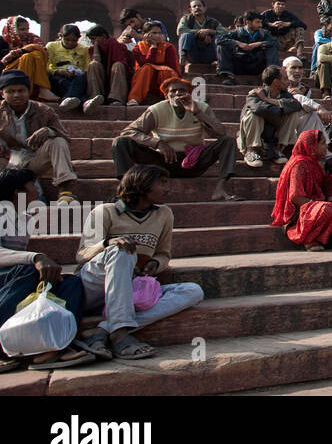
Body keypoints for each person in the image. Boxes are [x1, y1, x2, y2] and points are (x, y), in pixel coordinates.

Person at [75, 165, 206, 361]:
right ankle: (120, 334)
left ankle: (103, 329)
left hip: (132, 286)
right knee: (123, 251)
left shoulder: (164, 214)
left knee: (193, 291)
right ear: (142, 184)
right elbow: (82, 254)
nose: (167, 189)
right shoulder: (105, 212)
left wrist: (155, 263)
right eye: (162, 183)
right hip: (93, 284)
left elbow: (163, 253)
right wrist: (108, 243)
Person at [0, 169, 92, 372]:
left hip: (15, 278)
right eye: (33, 184)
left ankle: (58, 344)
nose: (38, 190)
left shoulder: (22, 217)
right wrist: (36, 258)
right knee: (27, 270)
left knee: (70, 283)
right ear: (18, 192)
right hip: (9, 278)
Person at [112, 76, 239, 201]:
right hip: (162, 162)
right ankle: (126, 190)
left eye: (182, 90)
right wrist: (158, 143)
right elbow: (128, 131)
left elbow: (220, 133)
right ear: (166, 96)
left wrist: (198, 113)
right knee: (121, 142)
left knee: (228, 141)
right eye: (173, 91)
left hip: (194, 161)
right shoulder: (156, 110)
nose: (178, 93)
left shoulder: (201, 107)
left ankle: (220, 189)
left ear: (189, 94)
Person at [272, 131, 332, 251]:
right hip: (301, 211)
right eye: (323, 143)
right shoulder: (299, 165)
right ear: (312, 145)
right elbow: (296, 197)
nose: (326, 146)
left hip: (321, 202)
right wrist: (319, 204)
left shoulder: (315, 163)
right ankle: (310, 240)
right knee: (326, 208)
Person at [0, 70, 77, 204]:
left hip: (33, 160)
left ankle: (65, 191)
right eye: (10, 91)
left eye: (21, 90)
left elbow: (66, 136)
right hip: (5, 160)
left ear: (29, 92)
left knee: (58, 142)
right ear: (2, 93)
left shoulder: (43, 110)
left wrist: (49, 131)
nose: (16, 95)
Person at [236, 65, 302, 168]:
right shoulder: (255, 94)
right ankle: (251, 150)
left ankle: (278, 149)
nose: (289, 81)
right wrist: (280, 110)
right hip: (256, 133)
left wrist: (267, 100)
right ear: (276, 81)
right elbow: (259, 109)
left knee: (293, 113)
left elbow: (297, 105)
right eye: (285, 79)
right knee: (254, 114)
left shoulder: (285, 94)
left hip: (272, 133)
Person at [2, 16, 59, 102]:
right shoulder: (2, 41)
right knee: (28, 56)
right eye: (22, 29)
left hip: (33, 74)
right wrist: (10, 56)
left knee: (36, 53)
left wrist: (22, 51)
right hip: (8, 73)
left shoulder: (31, 38)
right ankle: (25, 89)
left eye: (27, 29)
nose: (26, 32)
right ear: (12, 29)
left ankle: (42, 89)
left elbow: (43, 51)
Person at [126, 21, 181, 107]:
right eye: (154, 33)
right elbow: (145, 63)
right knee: (147, 68)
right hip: (145, 81)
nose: (158, 36)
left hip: (163, 80)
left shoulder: (168, 47)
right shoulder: (137, 48)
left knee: (165, 71)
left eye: (159, 33)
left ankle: (170, 97)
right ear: (145, 34)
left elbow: (172, 68)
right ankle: (134, 98)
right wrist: (153, 47)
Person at [216, 12, 280, 84]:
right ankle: (227, 76)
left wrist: (259, 44)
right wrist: (238, 43)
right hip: (239, 64)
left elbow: (276, 43)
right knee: (222, 45)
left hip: (257, 65)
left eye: (261, 22)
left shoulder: (264, 33)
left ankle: (271, 77)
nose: (260, 25)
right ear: (248, 22)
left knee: (272, 47)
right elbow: (218, 40)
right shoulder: (237, 32)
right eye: (257, 22)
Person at [45, 23, 93, 112]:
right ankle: (85, 102)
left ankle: (66, 99)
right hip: (58, 77)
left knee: (81, 78)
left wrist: (78, 72)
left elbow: (87, 68)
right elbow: (46, 66)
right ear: (60, 37)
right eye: (67, 40)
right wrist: (58, 72)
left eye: (74, 40)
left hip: (77, 78)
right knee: (62, 81)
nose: (70, 43)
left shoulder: (84, 49)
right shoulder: (51, 46)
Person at [85, 24, 132, 109]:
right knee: (93, 65)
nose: (92, 41)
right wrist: (96, 47)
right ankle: (95, 97)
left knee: (118, 65)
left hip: (116, 77)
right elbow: (96, 60)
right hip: (103, 78)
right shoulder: (93, 49)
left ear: (103, 36)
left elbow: (124, 63)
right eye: (91, 39)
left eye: (94, 38)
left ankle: (116, 98)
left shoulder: (117, 45)